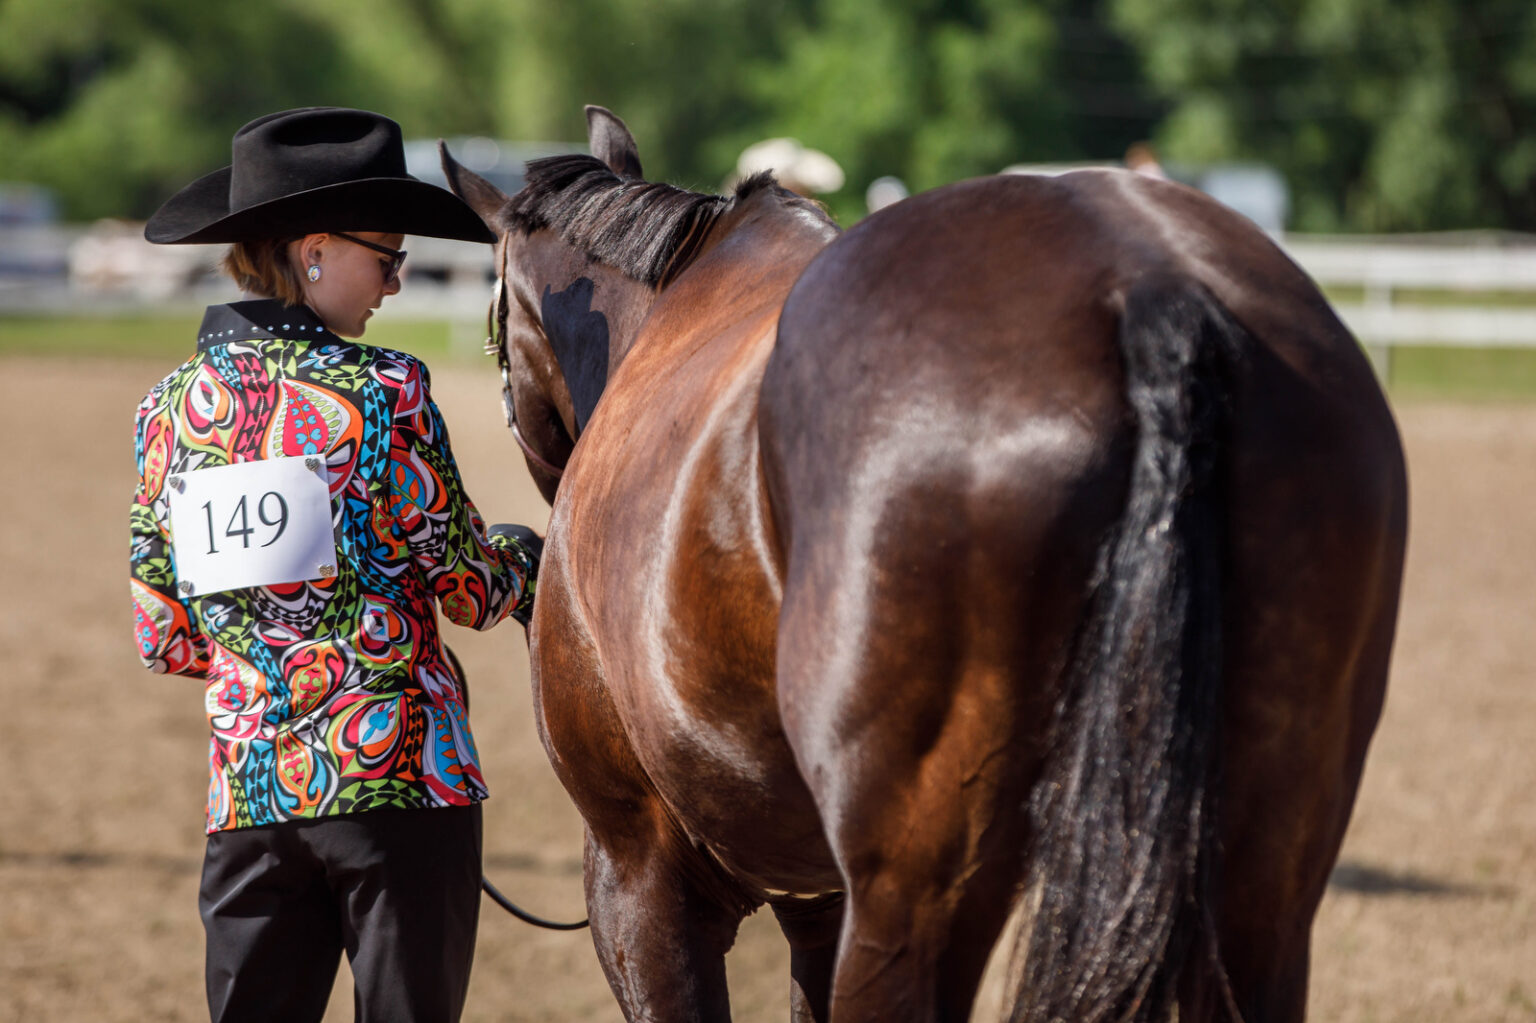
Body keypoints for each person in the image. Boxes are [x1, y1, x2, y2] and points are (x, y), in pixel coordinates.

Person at [130, 107, 540, 1023]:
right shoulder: (383, 387)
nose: (395, 281)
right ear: (313, 249)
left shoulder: (165, 412)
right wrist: (527, 560)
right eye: (386, 256)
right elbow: (468, 587)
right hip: (399, 780)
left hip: (250, 794)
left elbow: (163, 634)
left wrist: (271, 651)